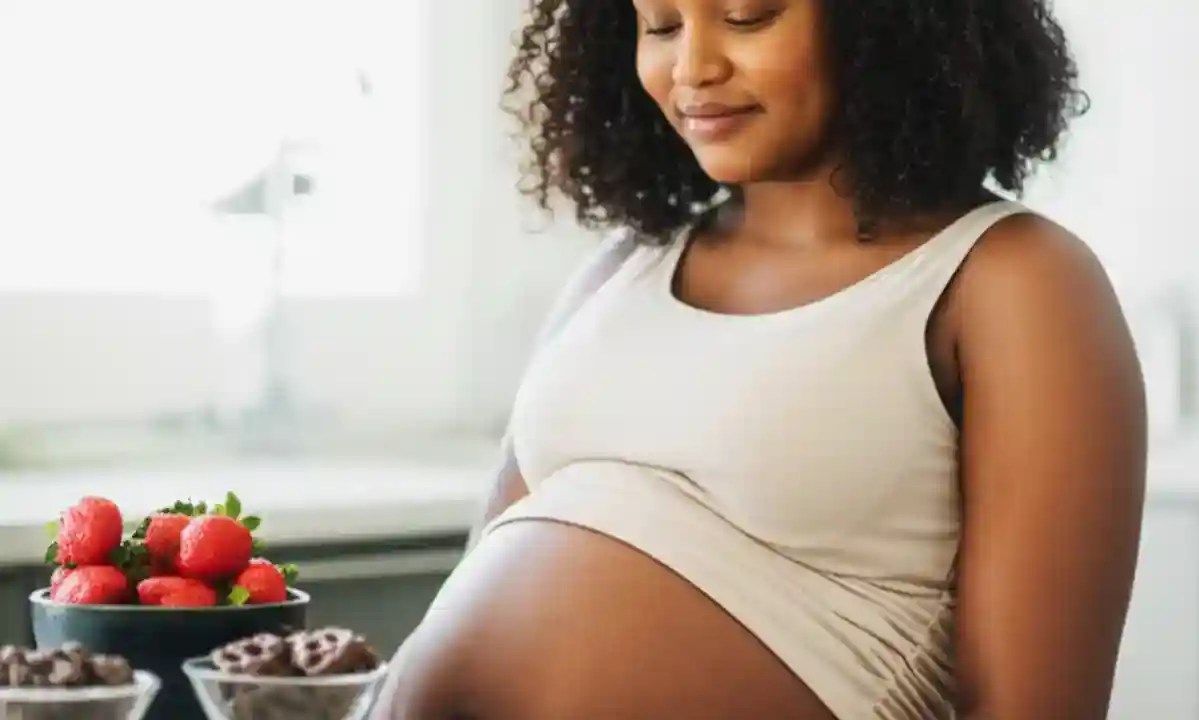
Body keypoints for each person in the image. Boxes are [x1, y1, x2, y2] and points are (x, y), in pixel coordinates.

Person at [373, 0, 1147, 717]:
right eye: (661, 24)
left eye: (745, 16)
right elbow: (490, 568)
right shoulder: (623, 268)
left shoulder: (1009, 280)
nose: (692, 68)